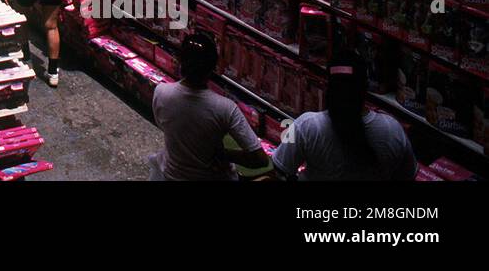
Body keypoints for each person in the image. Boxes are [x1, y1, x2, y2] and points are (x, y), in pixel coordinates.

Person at [271, 49, 417, 181]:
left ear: (328, 88)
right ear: (365, 87)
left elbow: (279, 169)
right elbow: (409, 174)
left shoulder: (307, 126)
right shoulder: (392, 130)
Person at [151, 33, 269, 180]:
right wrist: (222, 154)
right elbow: (260, 160)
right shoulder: (226, 109)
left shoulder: (161, 92)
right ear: (214, 67)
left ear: (180, 61)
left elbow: (163, 125)